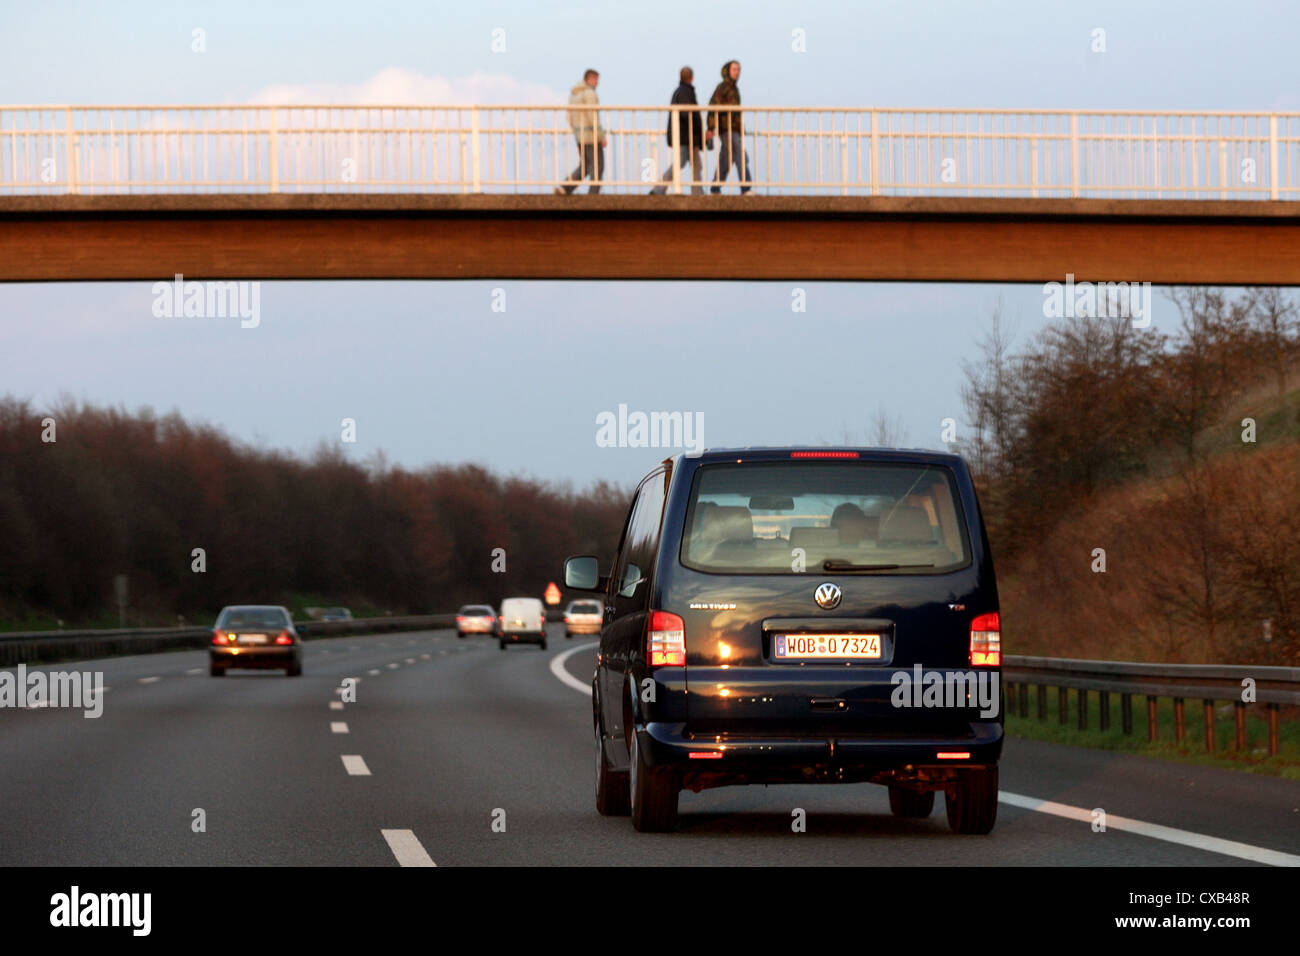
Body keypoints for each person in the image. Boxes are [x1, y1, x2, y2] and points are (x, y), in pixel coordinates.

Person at [650, 67, 705, 195]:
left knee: (694, 163)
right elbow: (688, 114)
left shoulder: (680, 91)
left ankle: (697, 192)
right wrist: (698, 131)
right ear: (691, 78)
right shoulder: (686, 92)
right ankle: (659, 188)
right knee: (685, 163)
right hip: (687, 136)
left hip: (685, 135)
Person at [706, 59, 753, 194]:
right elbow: (712, 107)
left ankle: (715, 187)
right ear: (727, 71)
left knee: (727, 157)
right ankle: (746, 188)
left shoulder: (734, 88)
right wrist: (710, 128)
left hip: (734, 128)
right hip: (726, 128)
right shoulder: (723, 87)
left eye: (738, 69)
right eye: (734, 69)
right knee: (740, 154)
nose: (737, 72)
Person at [558, 69, 606, 194]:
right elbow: (592, 116)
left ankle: (565, 186)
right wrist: (600, 135)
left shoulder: (574, 94)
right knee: (598, 166)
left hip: (579, 135)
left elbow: (569, 116)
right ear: (589, 79)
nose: (597, 83)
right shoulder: (589, 93)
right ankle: (593, 194)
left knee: (585, 165)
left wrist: (576, 131)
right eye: (595, 80)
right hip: (591, 135)